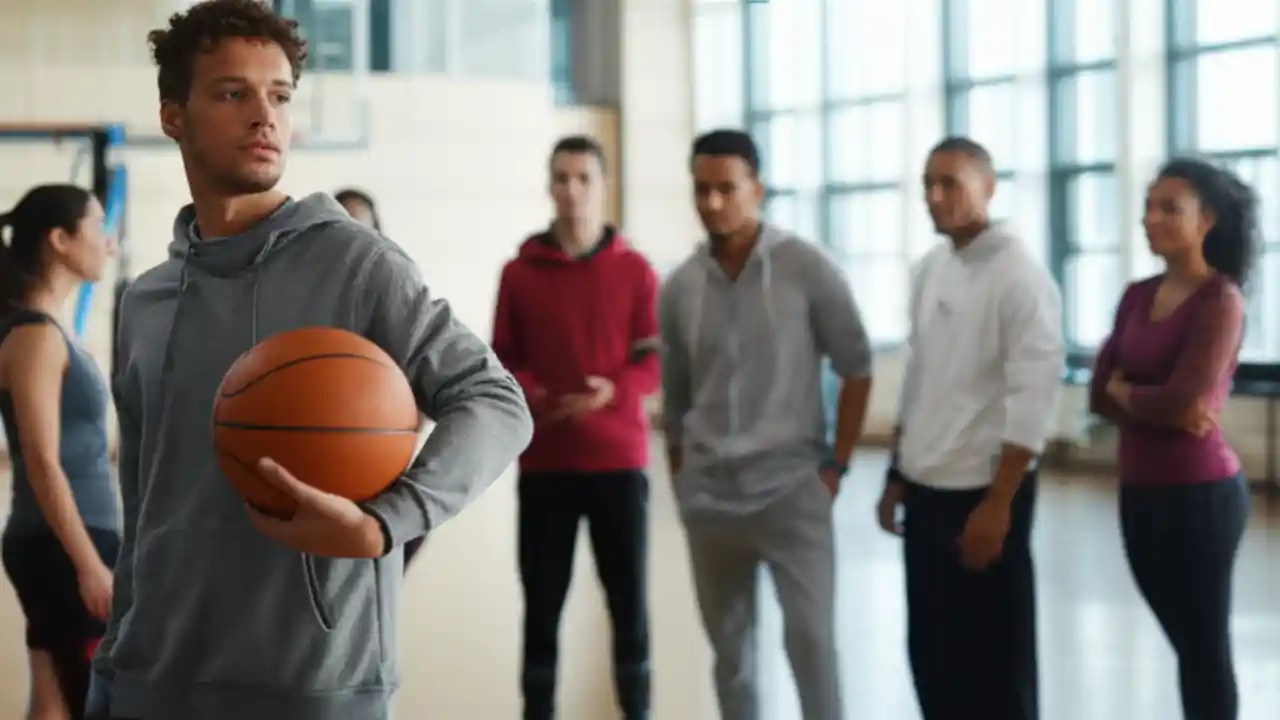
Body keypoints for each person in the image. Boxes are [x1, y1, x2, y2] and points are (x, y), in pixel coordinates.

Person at [85, 2, 532, 718]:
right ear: (174, 115)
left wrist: (387, 521)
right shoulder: (147, 299)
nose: (264, 115)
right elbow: (146, 503)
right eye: (233, 93)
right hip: (153, 679)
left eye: (280, 95)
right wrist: (115, 662)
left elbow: (496, 402)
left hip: (312, 682)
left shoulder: (356, 263)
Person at [659, 129, 873, 720]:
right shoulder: (678, 287)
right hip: (710, 501)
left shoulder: (807, 269)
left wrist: (836, 467)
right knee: (731, 657)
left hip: (791, 492)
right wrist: (684, 478)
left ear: (757, 189)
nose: (713, 203)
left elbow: (856, 366)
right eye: (702, 190)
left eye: (727, 189)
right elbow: (674, 400)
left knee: (810, 644)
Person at [877, 137, 1064, 720]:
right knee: (932, 655)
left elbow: (1032, 398)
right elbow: (922, 379)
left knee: (994, 665)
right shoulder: (930, 269)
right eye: (927, 183)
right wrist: (896, 474)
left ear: (988, 187)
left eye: (951, 183)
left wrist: (999, 504)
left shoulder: (1019, 275)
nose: (935, 196)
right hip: (927, 486)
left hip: (984, 494)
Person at [492, 135, 659, 720]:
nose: (571, 189)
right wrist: (536, 393)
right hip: (546, 467)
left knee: (629, 608)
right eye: (561, 177)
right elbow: (502, 359)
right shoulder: (518, 273)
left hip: (619, 464)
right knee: (542, 609)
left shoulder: (636, 271)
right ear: (549, 185)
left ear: (602, 184)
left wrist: (617, 391)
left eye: (583, 178)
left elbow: (652, 359)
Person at [1089, 158, 1254, 720]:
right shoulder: (1137, 295)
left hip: (1200, 495)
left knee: (1204, 649)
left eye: (1169, 208)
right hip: (1139, 489)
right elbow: (1095, 395)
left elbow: (1184, 402)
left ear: (1206, 220)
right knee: (1187, 641)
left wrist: (1129, 393)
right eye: (1148, 208)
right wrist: (1152, 402)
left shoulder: (1221, 301)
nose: (1150, 219)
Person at [0, 184, 121, 720]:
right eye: (98, 227)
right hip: (62, 544)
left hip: (69, 540)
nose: (109, 243)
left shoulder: (55, 333)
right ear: (60, 240)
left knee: (53, 701)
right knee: (83, 703)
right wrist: (88, 564)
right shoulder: (35, 338)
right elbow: (42, 460)